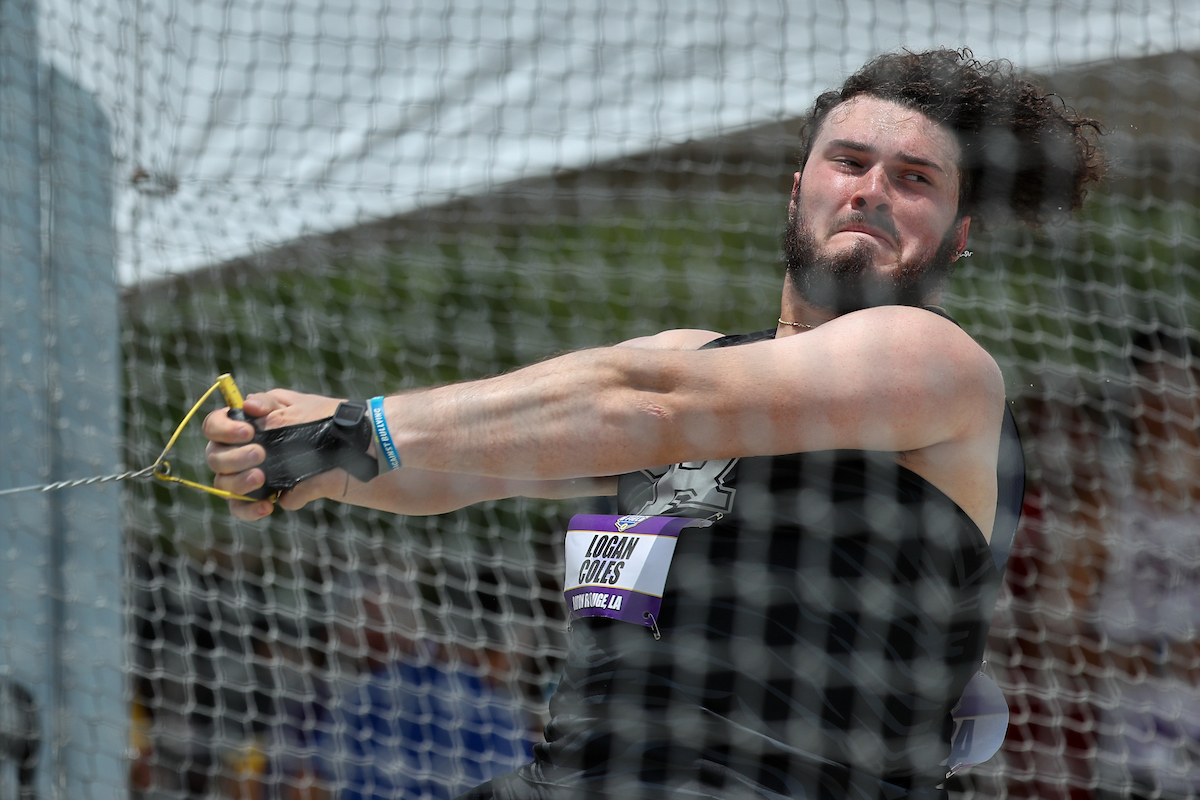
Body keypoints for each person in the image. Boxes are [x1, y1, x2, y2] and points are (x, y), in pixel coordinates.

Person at [205, 48, 1105, 800]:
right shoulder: (700, 354)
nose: (872, 190)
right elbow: (474, 467)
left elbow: (648, 402)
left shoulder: (933, 361)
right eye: (850, 162)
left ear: (958, 234)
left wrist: (364, 428)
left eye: (914, 179)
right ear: (798, 189)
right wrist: (321, 462)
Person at [1090, 330, 1200, 799]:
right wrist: (1144, 655)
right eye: (1153, 389)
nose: (1165, 405)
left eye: (1177, 387)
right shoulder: (1106, 498)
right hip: (1130, 742)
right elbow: (1062, 622)